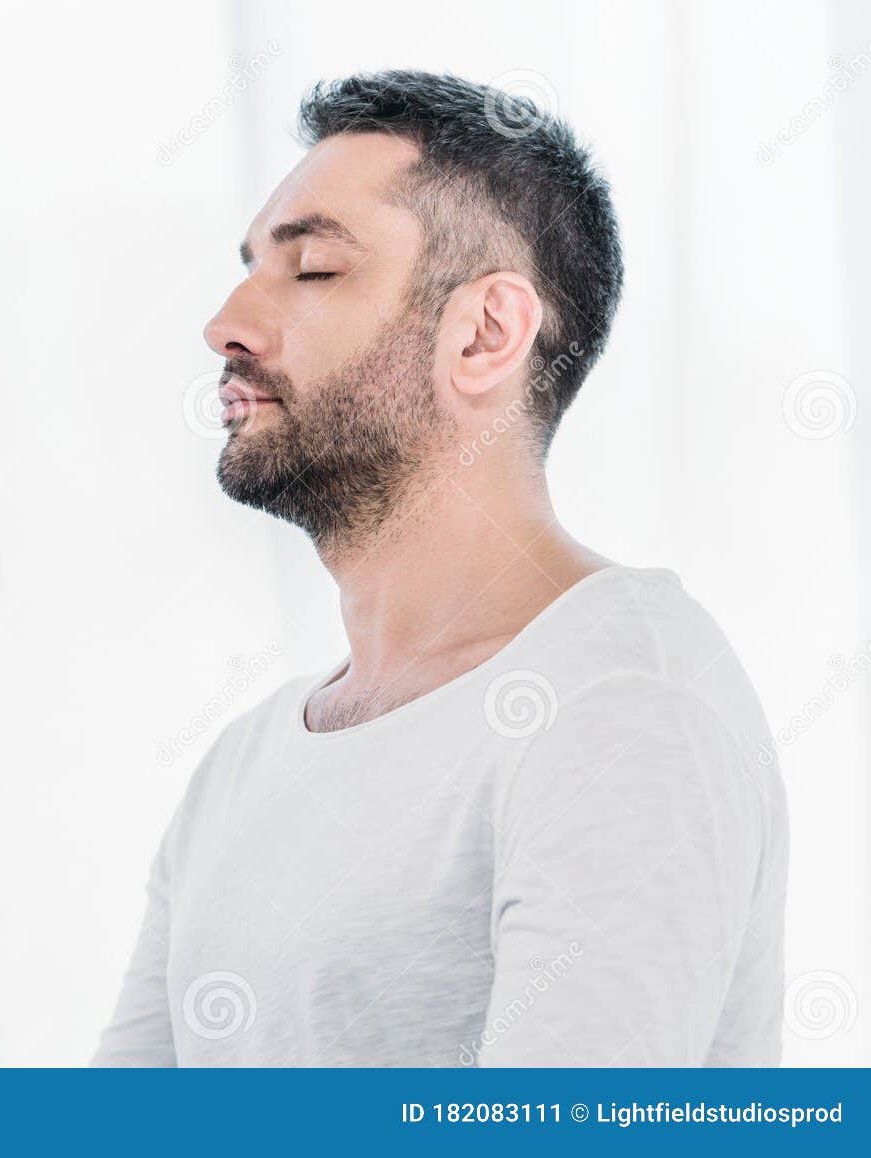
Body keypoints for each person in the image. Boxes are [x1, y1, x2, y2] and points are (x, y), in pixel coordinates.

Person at [92, 70, 787, 1066]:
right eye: (250, 266)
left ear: (483, 334)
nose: (226, 325)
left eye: (312, 270)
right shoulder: (245, 760)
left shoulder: (622, 705)